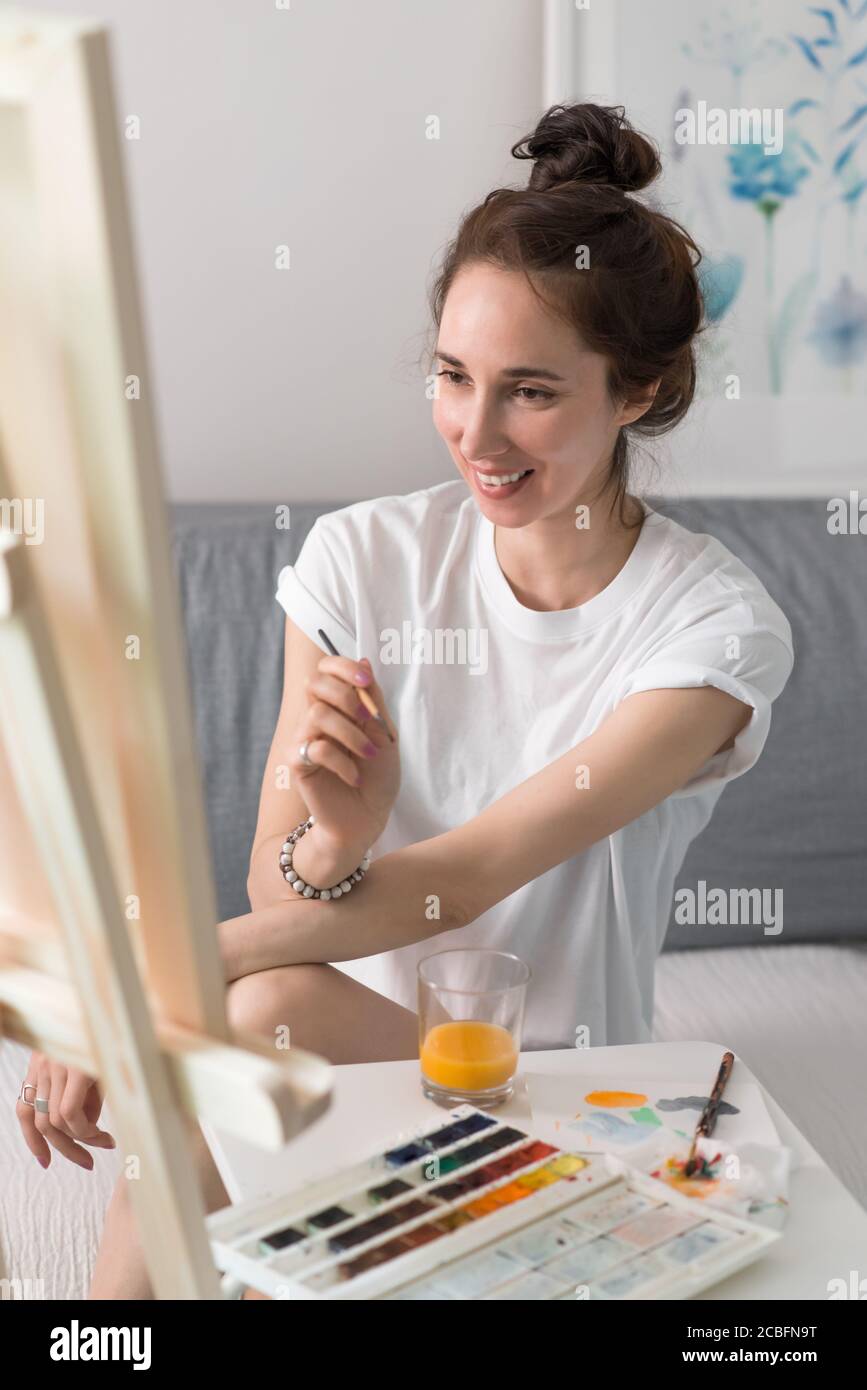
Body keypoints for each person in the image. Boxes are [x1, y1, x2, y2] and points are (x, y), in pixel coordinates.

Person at [17, 102, 793, 1299]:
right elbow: (280, 888)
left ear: (635, 392)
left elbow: (469, 877)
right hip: (345, 1071)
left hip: (561, 1094)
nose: (474, 434)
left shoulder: (710, 630)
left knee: (242, 997)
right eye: (451, 376)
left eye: (530, 392)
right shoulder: (358, 562)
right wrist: (338, 833)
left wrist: (130, 993)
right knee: (263, 1000)